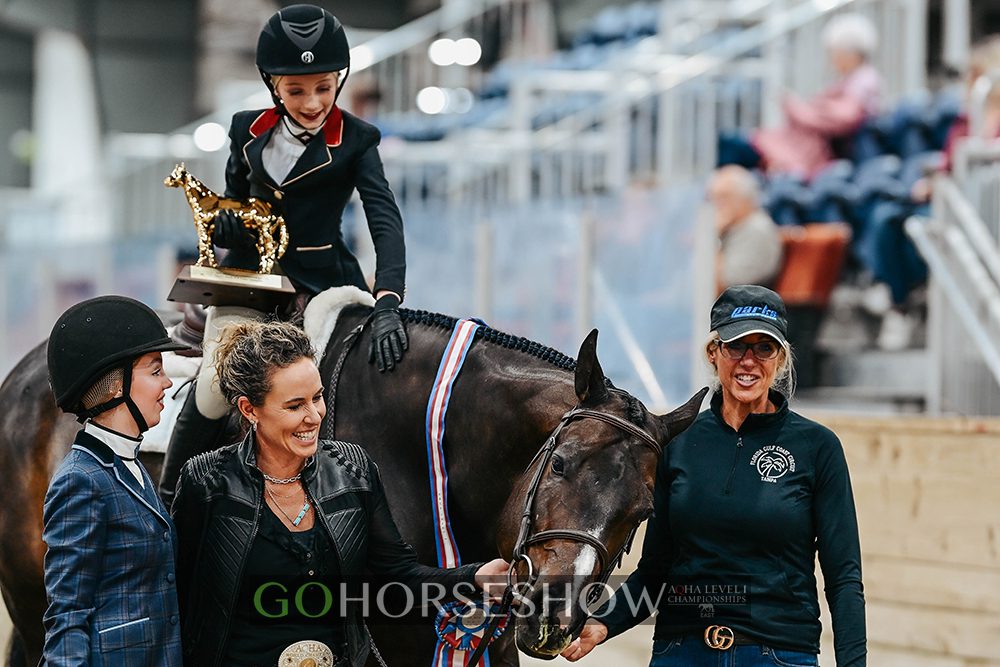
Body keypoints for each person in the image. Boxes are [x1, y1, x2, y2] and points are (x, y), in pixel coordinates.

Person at [161, 3, 409, 506]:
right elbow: (237, 203)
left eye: (323, 87)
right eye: (296, 90)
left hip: (325, 281)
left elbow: (384, 220)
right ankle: (168, 498)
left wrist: (388, 299)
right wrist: (226, 224)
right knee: (212, 387)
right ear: (272, 84)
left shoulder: (358, 140)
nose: (313, 103)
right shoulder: (244, 131)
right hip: (253, 282)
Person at [170, 320, 507, 667]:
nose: (314, 416)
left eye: (317, 398)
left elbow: (399, 576)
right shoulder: (206, 482)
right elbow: (176, 598)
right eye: (294, 405)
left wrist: (474, 577)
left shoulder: (354, 469)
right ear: (249, 409)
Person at [561, 285, 866, 666]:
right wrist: (603, 623)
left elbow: (844, 578)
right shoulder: (679, 444)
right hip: (681, 651)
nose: (748, 361)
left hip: (780, 653)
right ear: (713, 352)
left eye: (763, 348)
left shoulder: (818, 448)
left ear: (780, 359)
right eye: (736, 346)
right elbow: (656, 569)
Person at [42, 295, 191, 665]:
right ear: (114, 386)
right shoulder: (80, 481)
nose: (168, 383)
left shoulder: (132, 465)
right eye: (155, 371)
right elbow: (67, 614)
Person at [718, 13, 882, 178]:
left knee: (733, 146)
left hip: (809, 153)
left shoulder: (863, 80)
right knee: (732, 143)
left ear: (850, 54)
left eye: (834, 52)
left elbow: (844, 117)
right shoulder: (851, 80)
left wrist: (799, 109)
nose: (832, 59)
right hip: (798, 144)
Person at [706, 165, 784, 294]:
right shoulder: (731, 227)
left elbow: (720, 288)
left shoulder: (757, 229)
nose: (717, 204)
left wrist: (714, 236)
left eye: (724, 197)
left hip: (741, 308)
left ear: (745, 198)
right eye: (713, 198)